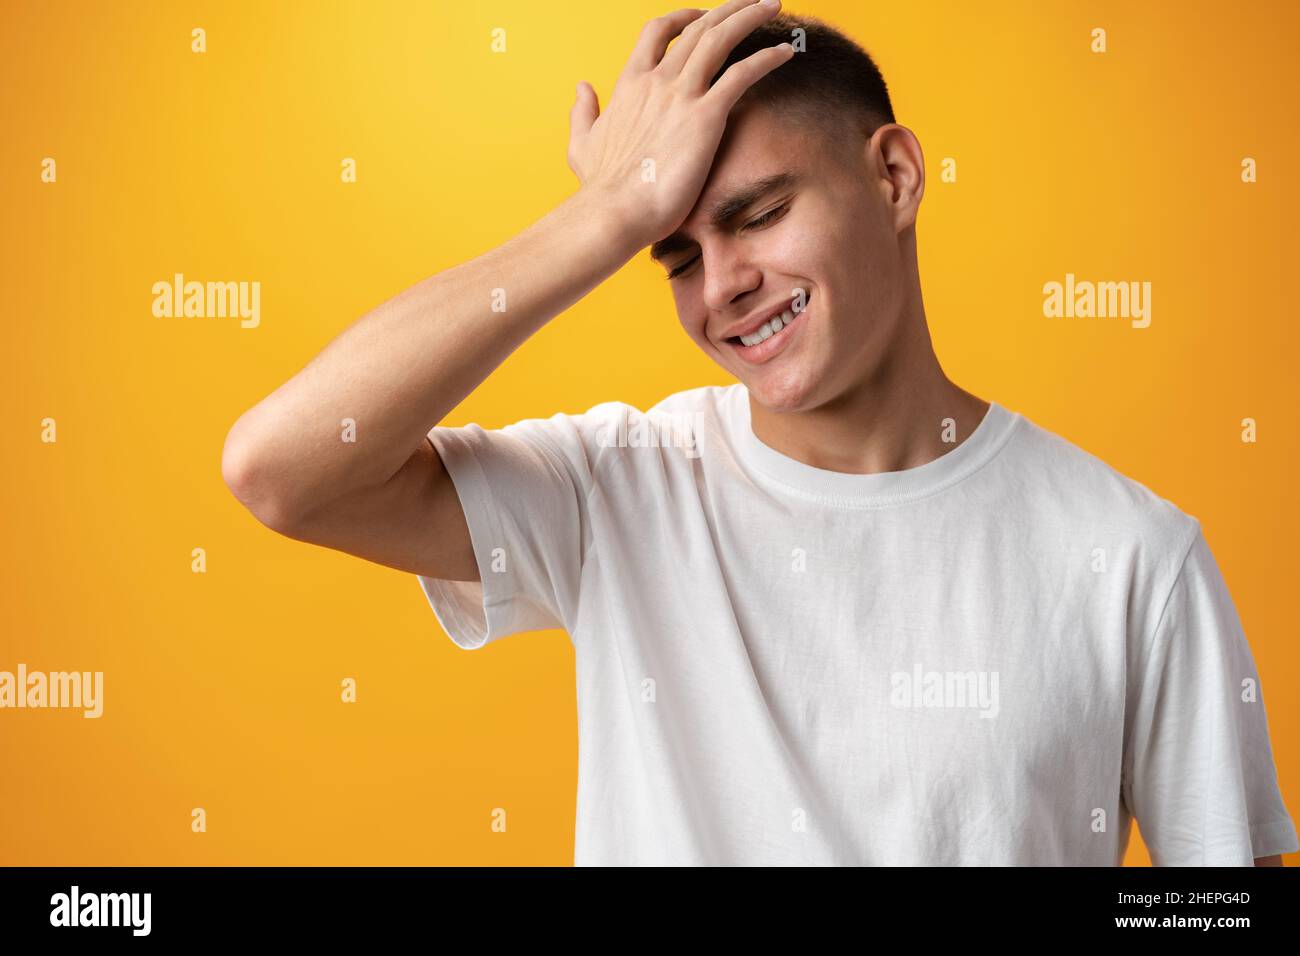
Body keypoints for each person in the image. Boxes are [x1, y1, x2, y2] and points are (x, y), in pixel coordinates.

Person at [220, 0, 1297, 866]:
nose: (722, 287)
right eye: (676, 254)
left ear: (894, 175)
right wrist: (603, 219)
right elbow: (282, 468)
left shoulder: (1132, 556)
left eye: (756, 213)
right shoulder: (615, 492)